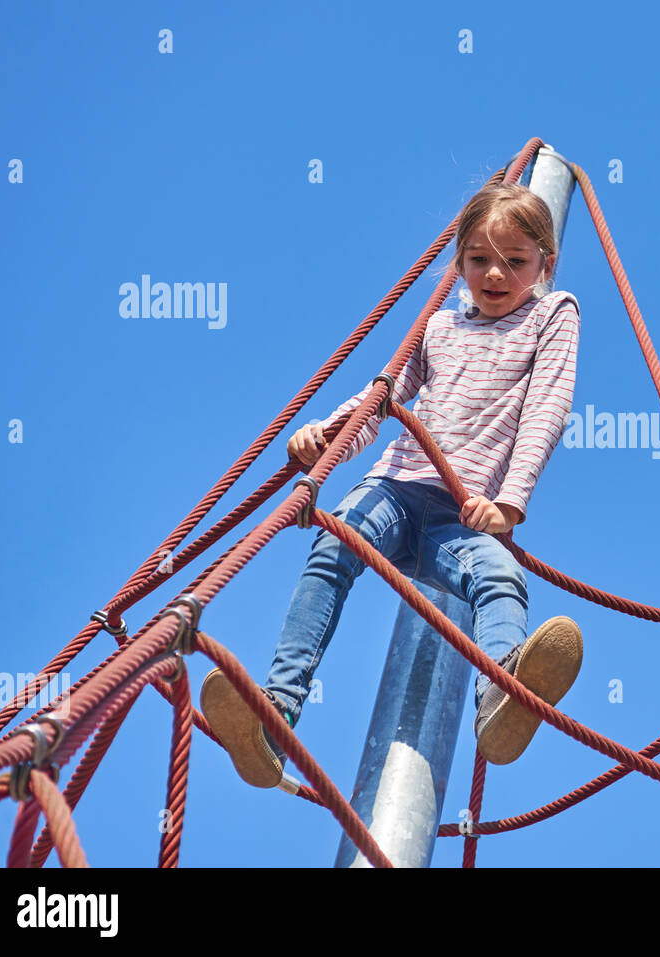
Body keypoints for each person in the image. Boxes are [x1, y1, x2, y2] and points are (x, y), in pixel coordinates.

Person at [201, 182, 584, 789]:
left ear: (546, 264)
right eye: (480, 259)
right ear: (457, 262)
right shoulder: (438, 327)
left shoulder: (551, 314)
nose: (495, 274)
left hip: (463, 514)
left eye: (516, 260)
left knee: (501, 576)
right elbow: (380, 399)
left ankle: (504, 694)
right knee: (336, 542)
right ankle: (274, 715)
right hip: (397, 489)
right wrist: (325, 437)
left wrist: (510, 501)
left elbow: (547, 407)